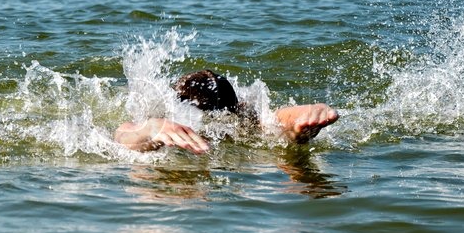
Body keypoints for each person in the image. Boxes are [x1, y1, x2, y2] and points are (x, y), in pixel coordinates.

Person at [114, 70, 339, 154]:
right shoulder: (161, 118)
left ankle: (301, 135)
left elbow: (275, 119)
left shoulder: (243, 119)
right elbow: (123, 135)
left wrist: (309, 112)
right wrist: (153, 128)